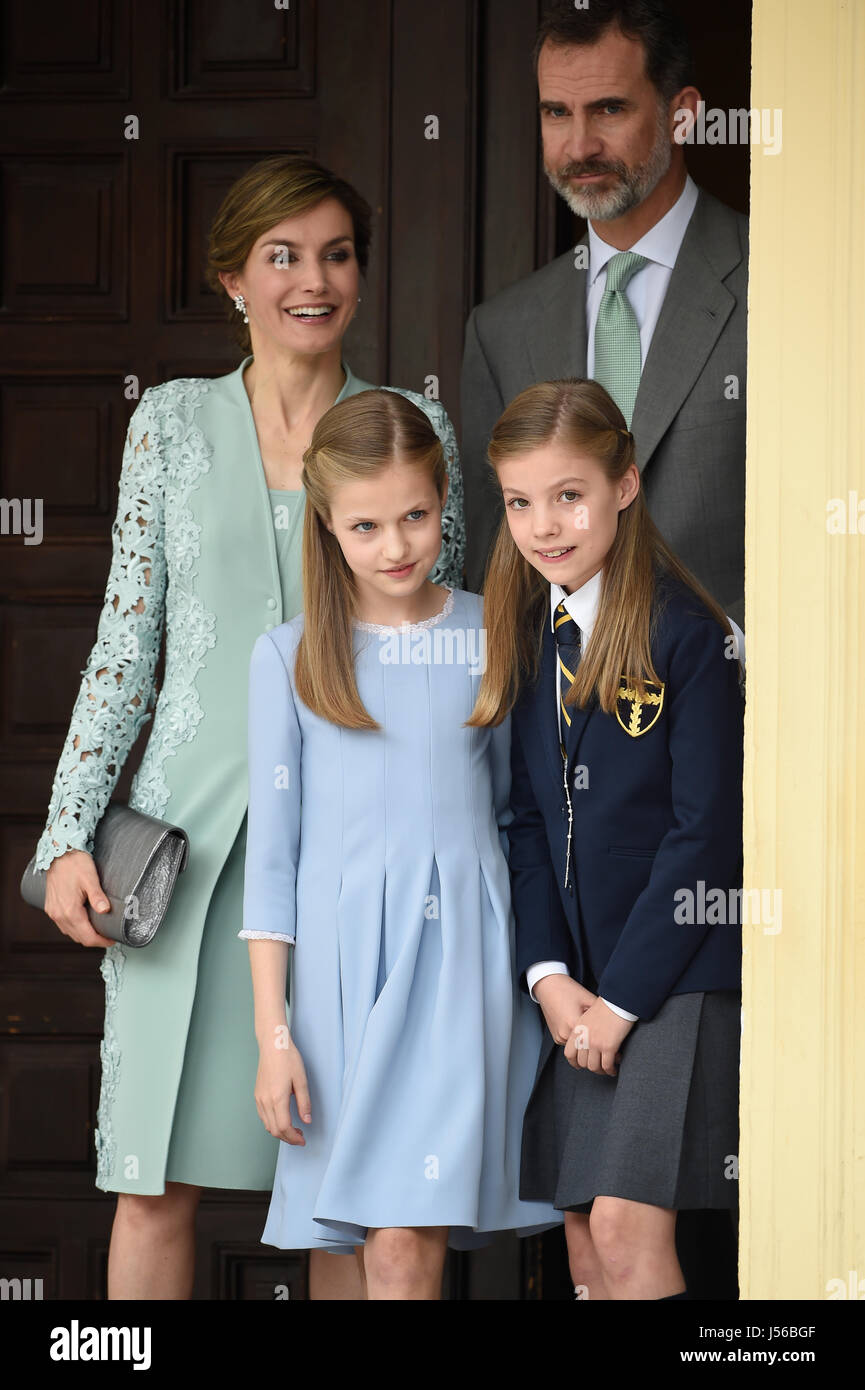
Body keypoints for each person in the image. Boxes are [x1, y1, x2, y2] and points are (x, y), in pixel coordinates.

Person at [33, 154, 464, 1301]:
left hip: (349, 863)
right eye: (282, 255)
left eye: (334, 254)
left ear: (361, 276)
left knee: (343, 1195)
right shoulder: (170, 427)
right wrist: (68, 831)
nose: (310, 280)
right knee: (150, 1178)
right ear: (233, 277)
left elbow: (433, 644)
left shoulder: (410, 428)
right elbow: (126, 644)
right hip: (184, 851)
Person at [240, 388, 559, 1298]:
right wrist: (274, 1035)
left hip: (461, 966)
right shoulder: (289, 659)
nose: (396, 547)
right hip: (343, 987)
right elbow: (273, 865)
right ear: (327, 525)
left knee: (405, 1242)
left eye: (416, 516)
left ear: (446, 496)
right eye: (366, 526)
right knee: (377, 1246)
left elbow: (517, 817)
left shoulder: (494, 632)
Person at [467, 377, 743, 1299]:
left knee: (625, 1230)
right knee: (583, 1239)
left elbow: (705, 835)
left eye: (569, 495)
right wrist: (548, 981)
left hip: (668, 979)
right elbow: (528, 826)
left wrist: (617, 1002)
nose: (544, 525)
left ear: (624, 484)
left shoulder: (684, 634)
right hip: (576, 985)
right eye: (519, 502)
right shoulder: (523, 632)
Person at [461, 0, 747, 631]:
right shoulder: (501, 328)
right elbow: (491, 563)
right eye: (556, 113)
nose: (580, 145)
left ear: (684, 114)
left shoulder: (780, 285)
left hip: (739, 703)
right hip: (560, 711)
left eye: (609, 109)